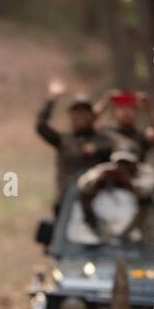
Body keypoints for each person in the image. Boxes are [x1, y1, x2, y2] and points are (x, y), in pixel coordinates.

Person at [36, 80, 113, 211]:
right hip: (66, 203)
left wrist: (97, 150)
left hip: (98, 204)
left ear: (92, 116)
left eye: (84, 112)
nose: (80, 116)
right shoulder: (63, 139)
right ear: (70, 116)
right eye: (76, 112)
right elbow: (41, 126)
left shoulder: (104, 139)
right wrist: (52, 98)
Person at [94, 88, 154, 158]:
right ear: (115, 111)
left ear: (136, 112)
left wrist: (149, 107)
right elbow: (87, 121)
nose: (126, 112)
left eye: (130, 108)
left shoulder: (141, 135)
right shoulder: (106, 133)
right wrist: (105, 101)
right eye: (121, 107)